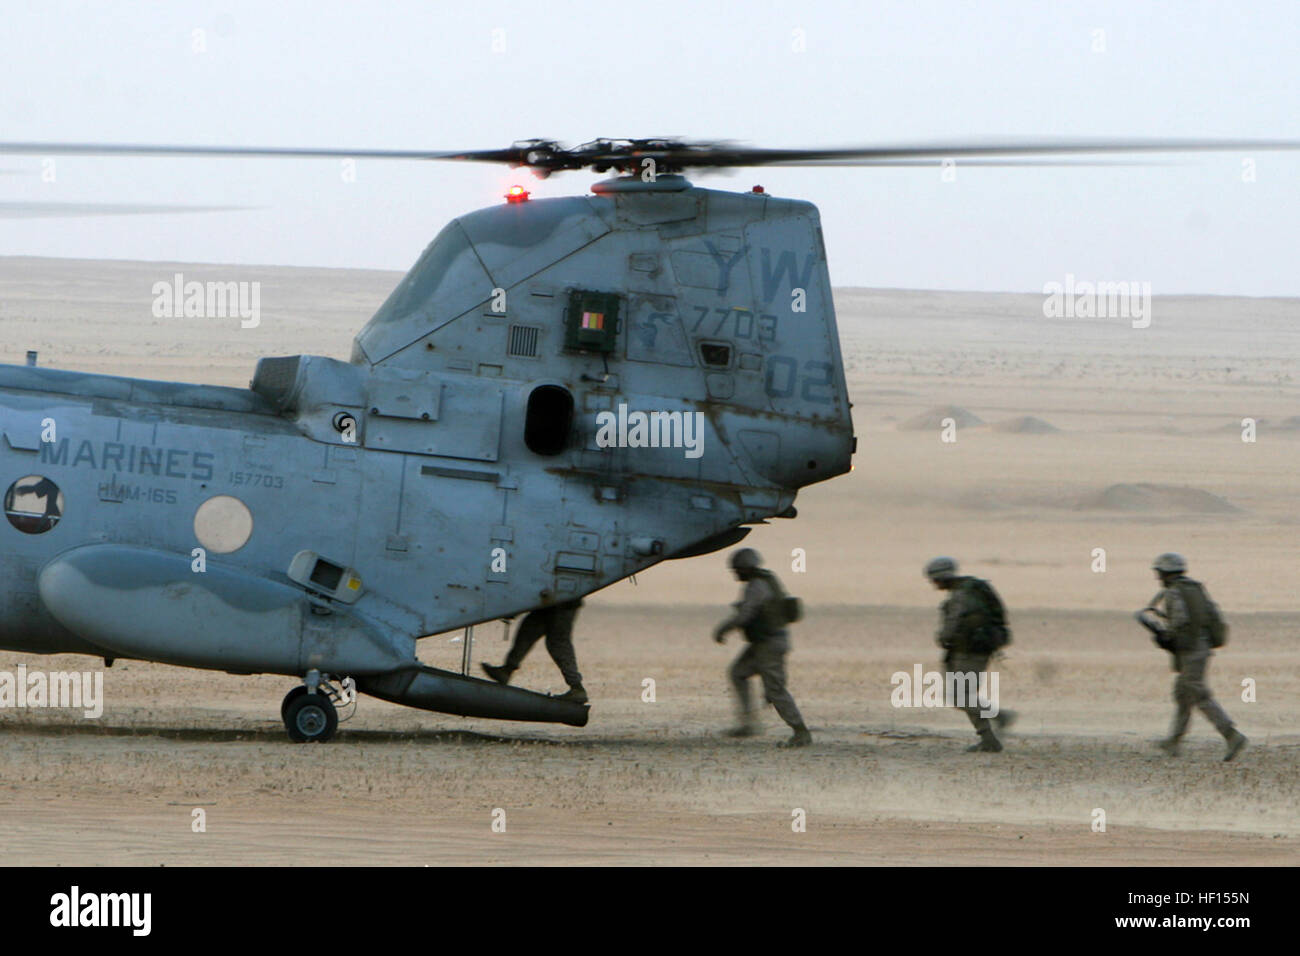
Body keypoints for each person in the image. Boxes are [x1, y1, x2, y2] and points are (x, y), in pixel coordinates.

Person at [1141, 553, 1246, 761]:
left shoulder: (1174, 593)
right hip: (1200, 647)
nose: (1158, 577)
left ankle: (1232, 735)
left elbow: (1180, 621)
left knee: (1198, 694)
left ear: (1165, 573)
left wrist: (1165, 636)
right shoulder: (1194, 588)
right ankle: (1174, 740)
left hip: (1191, 650)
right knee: (1183, 693)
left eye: (1159, 573)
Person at [713, 547, 811, 748]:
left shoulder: (756, 586)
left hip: (769, 644)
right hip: (766, 642)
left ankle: (801, 732)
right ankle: (748, 724)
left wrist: (724, 629)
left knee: (775, 690)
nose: (736, 574)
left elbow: (746, 615)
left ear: (745, 568)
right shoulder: (767, 581)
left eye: (738, 570)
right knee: (738, 672)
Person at [925, 556, 1013, 753]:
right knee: (966, 696)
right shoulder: (970, 591)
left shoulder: (961, 597)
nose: (934, 584)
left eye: (935, 580)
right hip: (972, 651)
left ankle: (1000, 717)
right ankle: (989, 741)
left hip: (969, 653)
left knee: (960, 697)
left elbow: (952, 626)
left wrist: (944, 639)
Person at [482, 598, 587, 703]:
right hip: (554, 600)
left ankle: (576, 687)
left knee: (557, 642)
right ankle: (507, 670)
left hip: (561, 601)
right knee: (529, 630)